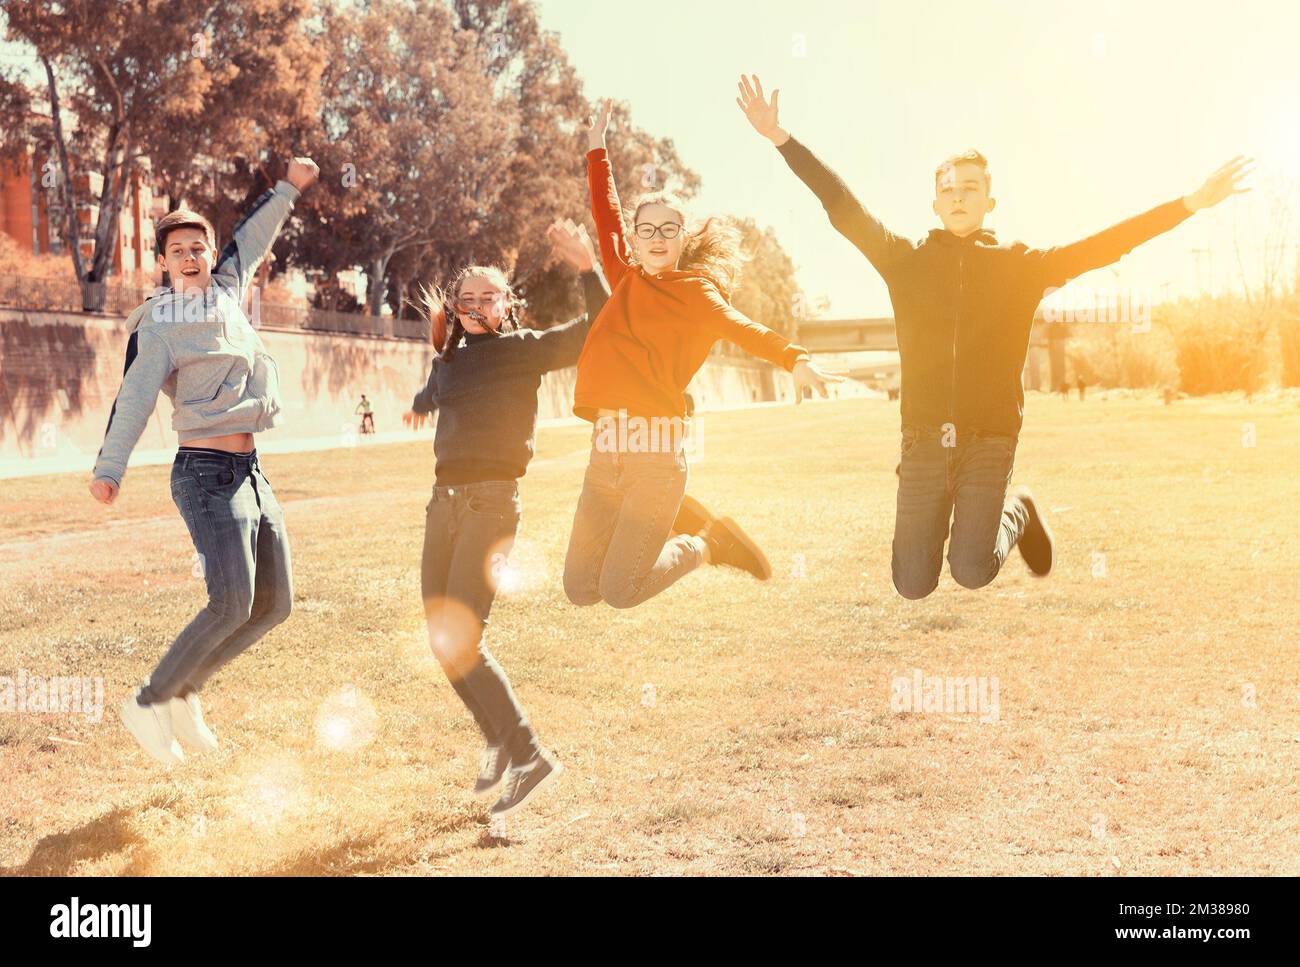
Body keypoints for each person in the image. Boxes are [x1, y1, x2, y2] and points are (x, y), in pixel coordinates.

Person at [737, 73, 1252, 598]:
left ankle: (1018, 512)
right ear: (934, 204)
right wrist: (781, 139)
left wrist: (1187, 204)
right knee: (912, 584)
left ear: (990, 202)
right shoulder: (903, 262)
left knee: (971, 570)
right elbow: (840, 205)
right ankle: (935, 511)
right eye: (947, 189)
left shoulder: (1021, 267)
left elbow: (1106, 245)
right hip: (923, 438)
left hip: (991, 438)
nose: (957, 197)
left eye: (970, 188)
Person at [563, 98, 845, 611]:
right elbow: (605, 210)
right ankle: (672, 519)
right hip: (606, 452)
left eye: (668, 229)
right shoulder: (624, 274)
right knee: (580, 590)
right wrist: (595, 147)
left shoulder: (695, 292)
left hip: (655, 455)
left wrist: (794, 358)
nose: (655, 237)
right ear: (634, 237)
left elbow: (742, 327)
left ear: (682, 237)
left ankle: (706, 543)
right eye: (645, 229)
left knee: (618, 591)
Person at [90, 156, 319, 765]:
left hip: (251, 471)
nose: (191, 256)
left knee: (273, 605)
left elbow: (254, 236)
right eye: (179, 249)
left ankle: (184, 690)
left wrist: (288, 190)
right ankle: (150, 699)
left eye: (200, 246)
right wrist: (110, 468)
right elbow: (134, 398)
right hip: (205, 475)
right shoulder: (160, 326)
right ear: (162, 263)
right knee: (229, 602)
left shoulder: (226, 290)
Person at [403, 219, 609, 818]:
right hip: (441, 505)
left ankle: (529, 754)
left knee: (463, 635)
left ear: (507, 305)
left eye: (486, 297)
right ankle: (497, 737)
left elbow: (594, 329)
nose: (473, 305)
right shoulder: (451, 359)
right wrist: (419, 403)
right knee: (443, 639)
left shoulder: (524, 351)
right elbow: (435, 389)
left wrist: (587, 268)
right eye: (464, 297)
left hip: (490, 504)